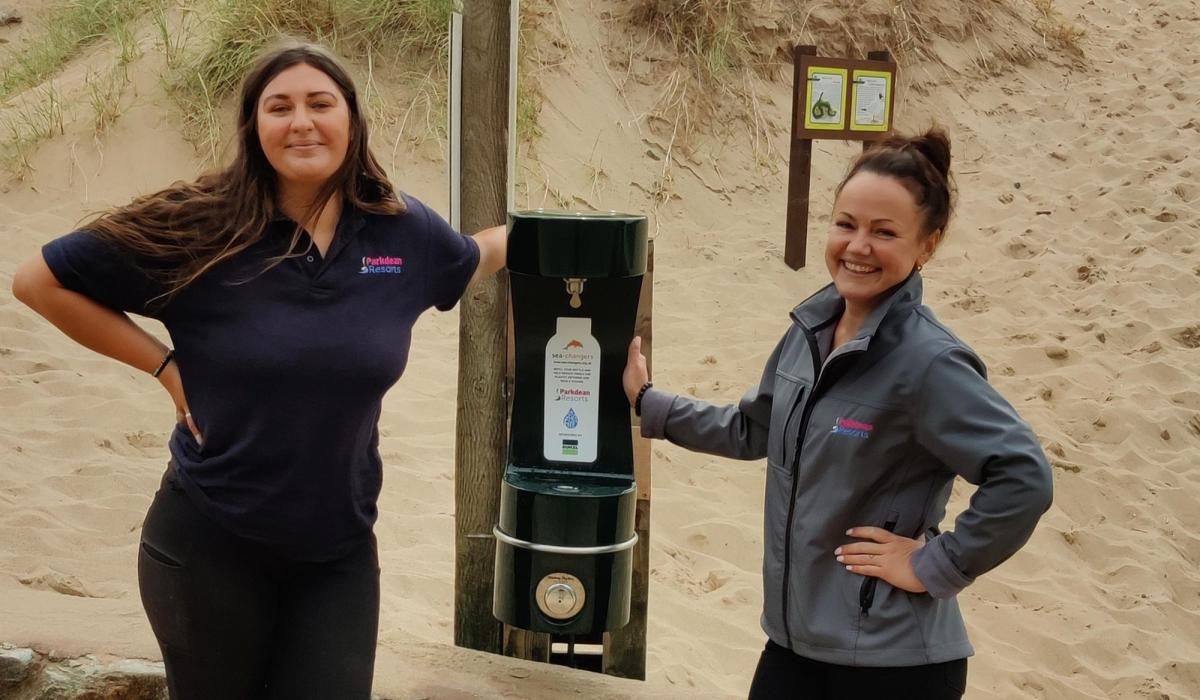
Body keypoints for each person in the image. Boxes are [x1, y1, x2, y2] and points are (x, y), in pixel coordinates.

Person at [11, 41, 506, 699]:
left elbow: (472, 256)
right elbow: (39, 282)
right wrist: (163, 365)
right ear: (253, 126)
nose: (302, 122)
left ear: (351, 119)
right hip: (209, 546)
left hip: (338, 554)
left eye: (320, 104)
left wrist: (544, 236)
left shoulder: (399, 231)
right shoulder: (200, 225)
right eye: (279, 107)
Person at [623, 129, 1052, 699]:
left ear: (927, 246)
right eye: (846, 224)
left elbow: (1024, 476)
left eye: (884, 232)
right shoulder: (809, 333)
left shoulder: (930, 363)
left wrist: (935, 563)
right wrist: (649, 402)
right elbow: (752, 429)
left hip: (893, 664)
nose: (858, 246)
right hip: (795, 643)